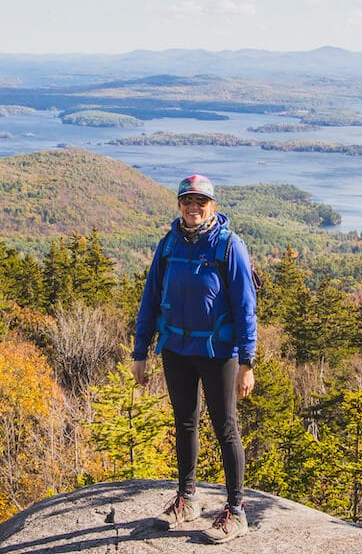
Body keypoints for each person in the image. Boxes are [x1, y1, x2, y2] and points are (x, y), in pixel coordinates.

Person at [131, 173, 258, 544]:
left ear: (212, 207)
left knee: (226, 428)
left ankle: (236, 510)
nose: (193, 208)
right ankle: (187, 498)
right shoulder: (168, 244)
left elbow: (245, 308)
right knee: (184, 423)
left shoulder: (229, 246)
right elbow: (149, 299)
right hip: (175, 349)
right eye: (187, 201)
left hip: (218, 353)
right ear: (179, 205)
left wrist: (247, 362)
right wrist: (140, 352)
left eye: (200, 202)